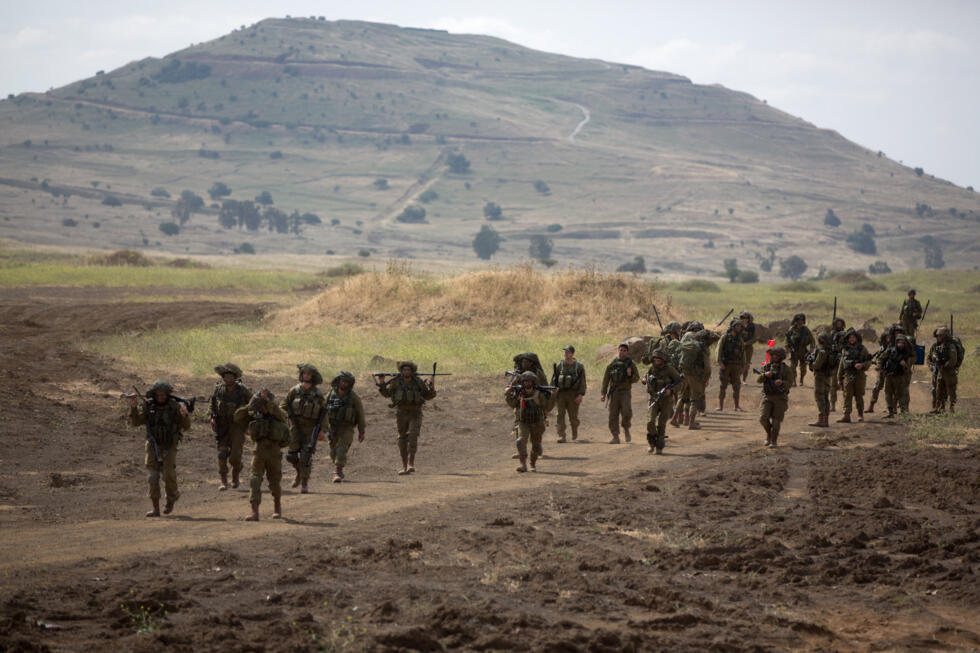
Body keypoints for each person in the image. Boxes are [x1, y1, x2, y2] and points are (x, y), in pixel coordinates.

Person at [128, 380, 191, 517]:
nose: (161, 398)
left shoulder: (174, 407)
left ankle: (172, 497)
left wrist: (184, 415)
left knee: (168, 473)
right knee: (152, 476)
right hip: (153, 444)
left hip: (169, 444)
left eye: (163, 395)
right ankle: (155, 508)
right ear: (154, 395)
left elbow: (186, 427)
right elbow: (136, 422)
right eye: (158, 395)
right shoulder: (149, 406)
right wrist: (133, 407)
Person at [376, 361, 436, 475]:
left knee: (413, 435)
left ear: (412, 371)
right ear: (401, 371)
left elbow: (428, 396)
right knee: (402, 439)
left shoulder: (418, 382)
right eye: (404, 370)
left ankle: (410, 463)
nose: (406, 372)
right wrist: (382, 382)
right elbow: (387, 394)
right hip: (401, 413)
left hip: (415, 412)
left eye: (408, 370)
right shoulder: (396, 382)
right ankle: (404, 466)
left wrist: (432, 385)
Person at [240, 388, 289, 521]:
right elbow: (237, 417)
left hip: (274, 451)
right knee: (255, 480)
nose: (263, 408)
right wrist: (252, 402)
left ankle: (277, 508)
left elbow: (287, 438)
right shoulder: (255, 416)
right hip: (259, 450)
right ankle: (255, 512)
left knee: (274, 482)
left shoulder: (279, 416)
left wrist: (269, 405)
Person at [282, 364, 326, 494]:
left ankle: (304, 483)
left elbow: (324, 413)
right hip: (295, 427)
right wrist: (283, 416)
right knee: (291, 456)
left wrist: (323, 430)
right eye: (304, 373)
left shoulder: (318, 394)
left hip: (311, 428)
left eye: (309, 374)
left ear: (313, 377)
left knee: (306, 456)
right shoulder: (294, 391)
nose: (306, 376)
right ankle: (299, 473)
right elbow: (284, 404)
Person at [208, 363, 253, 491]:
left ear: (235, 377)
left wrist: (249, 421)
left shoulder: (243, 390)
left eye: (230, 376)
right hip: (222, 425)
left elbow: (253, 404)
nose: (227, 379)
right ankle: (223, 481)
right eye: (225, 376)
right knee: (222, 454)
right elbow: (212, 403)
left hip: (237, 427)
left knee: (235, 456)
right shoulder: (219, 389)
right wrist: (211, 417)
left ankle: (235, 476)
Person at [324, 371, 367, 483]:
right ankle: (339, 467)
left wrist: (361, 431)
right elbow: (322, 410)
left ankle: (337, 472)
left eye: (347, 382)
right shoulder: (330, 394)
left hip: (347, 428)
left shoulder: (353, 397)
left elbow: (360, 414)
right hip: (332, 427)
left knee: (341, 449)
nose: (344, 384)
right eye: (343, 381)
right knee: (333, 451)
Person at [506, 371, 549, 472]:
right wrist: (508, 392)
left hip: (537, 422)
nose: (527, 384)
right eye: (525, 382)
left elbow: (547, 406)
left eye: (529, 381)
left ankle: (532, 464)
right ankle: (523, 464)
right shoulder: (519, 393)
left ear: (533, 382)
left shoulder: (539, 394)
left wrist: (552, 396)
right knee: (520, 441)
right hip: (523, 421)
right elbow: (512, 404)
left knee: (536, 445)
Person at [642, 349, 680, 454]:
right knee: (650, 422)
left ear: (663, 359)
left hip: (666, 400)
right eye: (655, 359)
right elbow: (646, 376)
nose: (656, 361)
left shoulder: (670, 370)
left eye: (658, 359)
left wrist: (671, 390)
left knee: (662, 424)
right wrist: (644, 379)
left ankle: (659, 446)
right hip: (653, 398)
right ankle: (651, 441)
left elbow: (679, 382)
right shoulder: (652, 369)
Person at [600, 343, 639, 443]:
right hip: (614, 393)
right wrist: (603, 393)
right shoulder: (612, 364)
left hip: (625, 392)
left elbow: (637, 378)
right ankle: (615, 436)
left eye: (624, 350)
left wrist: (630, 375)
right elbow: (606, 379)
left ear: (627, 352)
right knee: (613, 415)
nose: (622, 352)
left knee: (626, 411)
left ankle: (626, 428)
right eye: (621, 350)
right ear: (618, 350)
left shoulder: (631, 364)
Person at [675, 326, 712, 430]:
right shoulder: (702, 348)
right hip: (696, 376)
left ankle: (674, 418)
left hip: (685, 373)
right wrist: (706, 378)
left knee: (682, 396)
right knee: (695, 398)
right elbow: (707, 367)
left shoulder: (689, 345)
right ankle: (691, 422)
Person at [757, 347, 794, 447]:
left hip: (780, 398)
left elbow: (790, 383)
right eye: (773, 355)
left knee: (776, 421)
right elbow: (758, 379)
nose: (774, 357)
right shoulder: (766, 367)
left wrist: (782, 382)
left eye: (776, 355)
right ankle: (769, 434)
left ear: (781, 357)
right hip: (767, 396)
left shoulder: (786, 369)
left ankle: (774, 440)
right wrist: (765, 375)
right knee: (763, 418)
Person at [552, 345, 586, 443]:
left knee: (573, 417)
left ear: (572, 354)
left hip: (573, 395)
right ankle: (561, 436)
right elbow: (554, 378)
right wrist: (553, 389)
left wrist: (580, 395)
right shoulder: (560, 365)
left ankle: (574, 430)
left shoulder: (579, 366)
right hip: (561, 394)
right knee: (560, 415)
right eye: (565, 352)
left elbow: (583, 382)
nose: (566, 354)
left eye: (568, 352)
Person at [837, 329, 872, 423]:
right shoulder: (845, 349)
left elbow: (869, 361)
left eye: (853, 337)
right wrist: (839, 378)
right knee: (847, 395)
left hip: (859, 376)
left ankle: (860, 414)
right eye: (850, 337)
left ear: (857, 338)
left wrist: (862, 365)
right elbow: (842, 364)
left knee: (859, 396)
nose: (852, 339)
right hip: (848, 375)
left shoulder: (862, 349)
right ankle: (846, 415)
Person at [882, 334, 916, 417]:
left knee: (902, 393)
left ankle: (904, 411)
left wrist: (905, 364)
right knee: (888, 393)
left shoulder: (908, 354)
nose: (900, 344)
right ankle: (890, 411)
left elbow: (910, 364)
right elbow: (881, 358)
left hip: (900, 376)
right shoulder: (891, 350)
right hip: (889, 375)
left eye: (902, 343)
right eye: (898, 342)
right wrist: (881, 368)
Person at [928, 326, 960, 413]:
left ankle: (952, 407)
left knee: (951, 390)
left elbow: (953, 360)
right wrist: (934, 358)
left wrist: (945, 365)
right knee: (939, 390)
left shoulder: (951, 346)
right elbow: (931, 356)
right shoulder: (938, 346)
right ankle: (939, 408)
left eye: (939, 336)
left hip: (949, 372)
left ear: (944, 336)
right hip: (941, 372)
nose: (937, 337)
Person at [717, 319, 745, 411]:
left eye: (740, 326)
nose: (739, 328)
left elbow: (743, 353)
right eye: (737, 326)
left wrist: (743, 366)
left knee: (736, 386)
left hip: (736, 365)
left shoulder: (740, 339)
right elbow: (719, 350)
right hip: (726, 365)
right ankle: (720, 406)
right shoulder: (725, 337)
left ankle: (736, 406)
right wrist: (720, 362)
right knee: (723, 385)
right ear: (733, 327)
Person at [808, 333, 834, 428]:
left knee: (819, 396)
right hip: (828, 376)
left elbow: (816, 365)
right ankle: (826, 420)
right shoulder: (830, 350)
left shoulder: (822, 351)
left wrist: (811, 362)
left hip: (820, 376)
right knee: (826, 397)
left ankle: (821, 419)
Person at [785, 313, 815, 387]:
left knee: (803, 368)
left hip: (803, 351)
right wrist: (787, 347)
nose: (800, 322)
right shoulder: (792, 329)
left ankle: (801, 379)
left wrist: (812, 348)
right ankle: (793, 381)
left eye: (801, 320)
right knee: (792, 367)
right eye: (798, 320)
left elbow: (812, 339)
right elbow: (787, 339)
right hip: (794, 351)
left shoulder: (805, 329)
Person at [829, 317, 847, 412]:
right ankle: (832, 405)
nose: (839, 325)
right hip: (835, 364)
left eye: (840, 323)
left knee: (845, 385)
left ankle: (846, 405)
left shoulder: (847, 336)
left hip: (845, 365)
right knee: (833, 385)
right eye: (837, 323)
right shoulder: (831, 335)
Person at [739, 311, 756, 381]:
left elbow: (754, 338)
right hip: (738, 347)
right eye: (743, 317)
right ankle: (735, 378)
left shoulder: (751, 327)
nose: (745, 319)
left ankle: (744, 379)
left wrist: (746, 343)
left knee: (746, 364)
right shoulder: (738, 325)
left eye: (746, 318)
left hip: (748, 348)